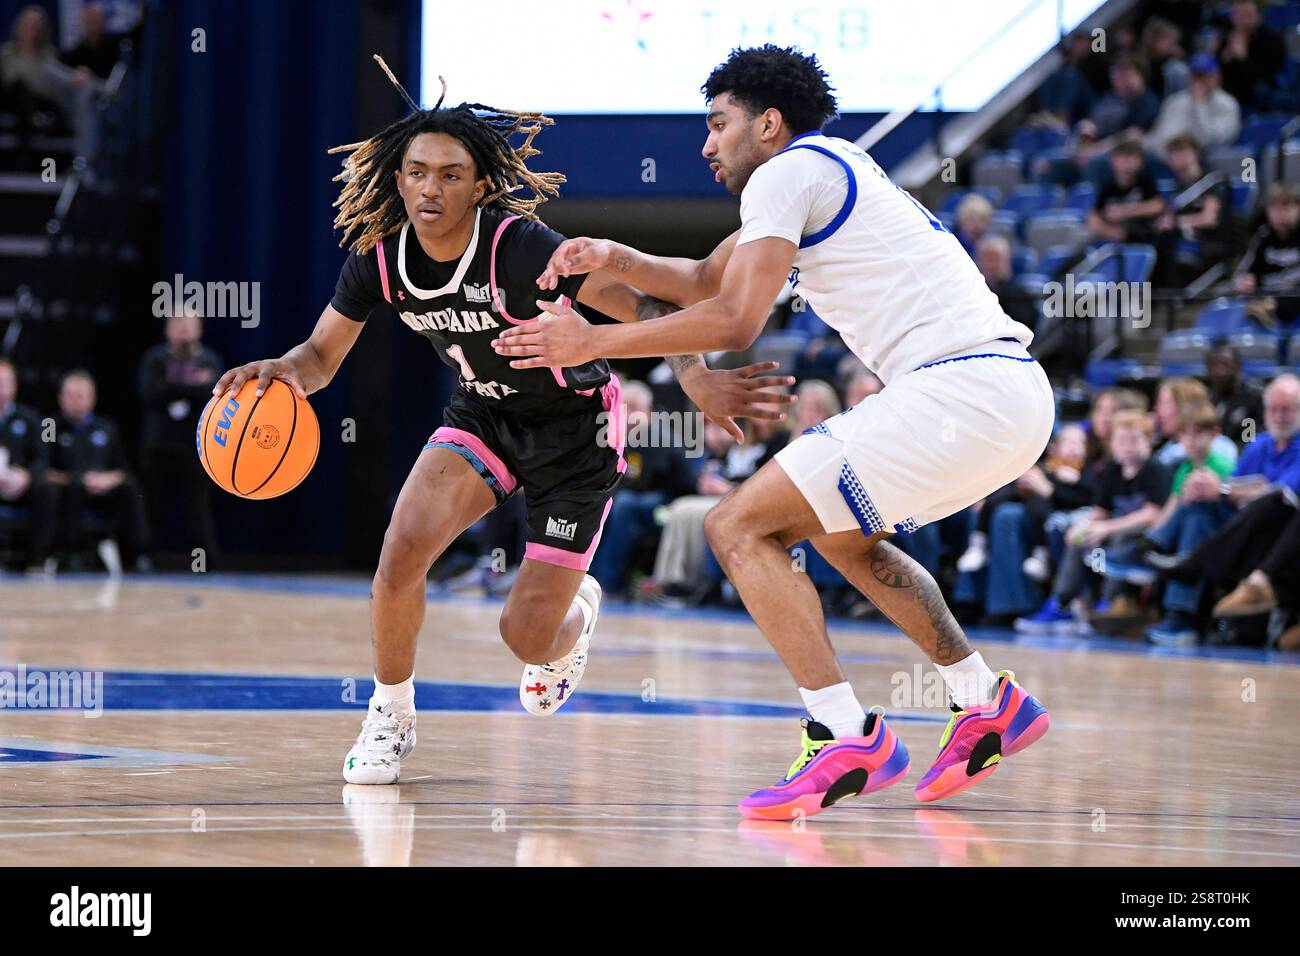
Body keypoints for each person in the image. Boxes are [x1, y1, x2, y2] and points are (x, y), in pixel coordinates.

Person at [496, 45, 1056, 815]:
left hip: (961, 390)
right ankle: (986, 700)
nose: (705, 145)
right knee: (839, 536)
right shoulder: (822, 172)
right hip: (1003, 398)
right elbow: (703, 280)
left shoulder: (788, 173)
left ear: (767, 123)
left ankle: (844, 733)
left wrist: (589, 341)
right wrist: (613, 254)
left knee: (737, 526)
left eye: (717, 125)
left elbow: (733, 318)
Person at [211, 59, 790, 786]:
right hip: (483, 414)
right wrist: (283, 373)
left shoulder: (519, 247)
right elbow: (320, 359)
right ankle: (391, 712)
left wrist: (698, 377)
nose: (431, 187)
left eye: (451, 174)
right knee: (400, 556)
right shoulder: (380, 262)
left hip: (576, 429)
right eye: (417, 171)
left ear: (480, 185)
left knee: (524, 637)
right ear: (397, 179)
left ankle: (572, 617)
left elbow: (642, 306)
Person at [1016, 410, 1170, 634]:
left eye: (1135, 439)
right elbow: (1099, 511)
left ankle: (1109, 604)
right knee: (1081, 536)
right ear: (1112, 444)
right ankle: (1062, 603)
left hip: (1146, 536)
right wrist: (1084, 526)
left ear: (1149, 441)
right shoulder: (1113, 471)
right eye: (1121, 440)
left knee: (1118, 538)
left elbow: (1152, 514)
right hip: (1116, 527)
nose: (1127, 446)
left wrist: (1106, 528)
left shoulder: (1156, 470)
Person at [34, 369, 150, 573]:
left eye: (80, 395)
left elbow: (123, 468)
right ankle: (71, 553)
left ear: (92, 398)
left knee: (130, 489)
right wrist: (76, 479)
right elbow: (43, 468)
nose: (75, 401)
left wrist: (108, 479)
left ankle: (137, 554)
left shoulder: (107, 427)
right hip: (70, 488)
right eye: (70, 395)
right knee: (72, 489)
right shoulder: (50, 426)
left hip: (104, 488)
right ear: (60, 398)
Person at [1144, 400, 1237, 644]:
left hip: (1224, 530)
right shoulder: (1184, 468)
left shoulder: (1221, 464)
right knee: (1189, 515)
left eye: (1199, 434)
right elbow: (1171, 508)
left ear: (1214, 435)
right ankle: (1149, 550)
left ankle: (1181, 616)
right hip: (1194, 528)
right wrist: (1149, 535)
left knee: (1196, 511)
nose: (1191, 440)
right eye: (1185, 434)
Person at [137, 311, 224, 566]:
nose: (184, 330)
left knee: (198, 506)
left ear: (199, 328)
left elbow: (214, 394)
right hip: (158, 444)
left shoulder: (209, 359)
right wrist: (192, 388)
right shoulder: (154, 358)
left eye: (189, 325)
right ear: (168, 329)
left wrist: (171, 387)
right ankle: (145, 556)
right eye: (178, 325)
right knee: (151, 503)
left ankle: (206, 559)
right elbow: (149, 393)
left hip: (196, 446)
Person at [1153, 135, 1233, 288]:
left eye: (1183, 152)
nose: (1179, 157)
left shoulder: (1210, 181)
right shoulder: (1175, 187)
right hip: (1181, 239)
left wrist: (1176, 222)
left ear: (1196, 153)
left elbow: (1210, 218)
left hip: (1208, 244)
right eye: (1174, 153)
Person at [0, 358, 50, 567]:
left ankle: (38, 558)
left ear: (15, 385)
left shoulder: (32, 418)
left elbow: (42, 456)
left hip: (20, 482)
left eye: (5, 382)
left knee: (46, 488)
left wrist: (26, 476)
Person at [1144, 55, 1241, 156]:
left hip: (1198, 159)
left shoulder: (1227, 104)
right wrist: (1142, 143)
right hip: (1161, 156)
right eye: (1195, 75)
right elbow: (1158, 135)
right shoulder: (1175, 101)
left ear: (1216, 77)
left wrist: (1198, 104)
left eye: (1203, 76)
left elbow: (1207, 140)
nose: (1198, 81)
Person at [1233, 183, 1300, 329]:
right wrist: (1245, 281)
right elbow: (1242, 273)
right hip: (1264, 295)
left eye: (1286, 207)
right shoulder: (1262, 237)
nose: (1280, 214)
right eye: (1274, 208)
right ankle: (1263, 310)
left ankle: (1267, 307)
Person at [1086, 138, 1166, 245]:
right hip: (1116, 239)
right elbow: (1093, 217)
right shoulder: (1107, 186)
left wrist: (1125, 211)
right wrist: (1110, 231)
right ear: (1113, 161)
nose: (1128, 164)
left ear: (1141, 161)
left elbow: (1158, 205)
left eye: (1133, 158)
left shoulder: (1145, 181)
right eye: (1123, 158)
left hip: (1143, 238)